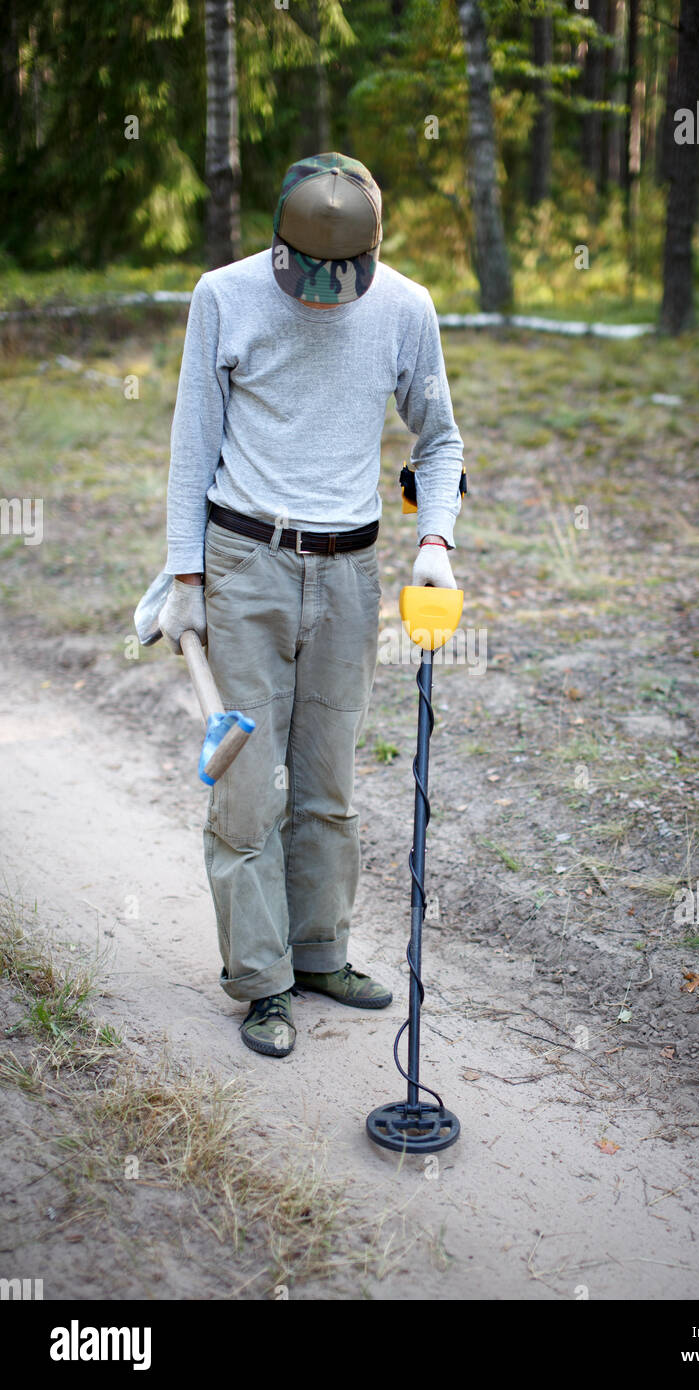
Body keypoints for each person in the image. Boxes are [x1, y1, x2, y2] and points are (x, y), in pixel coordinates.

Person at [158, 152, 464, 1058]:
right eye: (309, 274)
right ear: (278, 242)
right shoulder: (225, 296)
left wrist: (436, 546)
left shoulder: (406, 308)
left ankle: (320, 951)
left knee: (327, 783)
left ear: (376, 249)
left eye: (348, 277)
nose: (328, 295)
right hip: (245, 563)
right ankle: (261, 981)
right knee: (247, 787)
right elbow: (192, 444)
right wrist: (185, 580)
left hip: (349, 575)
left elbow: (437, 441)